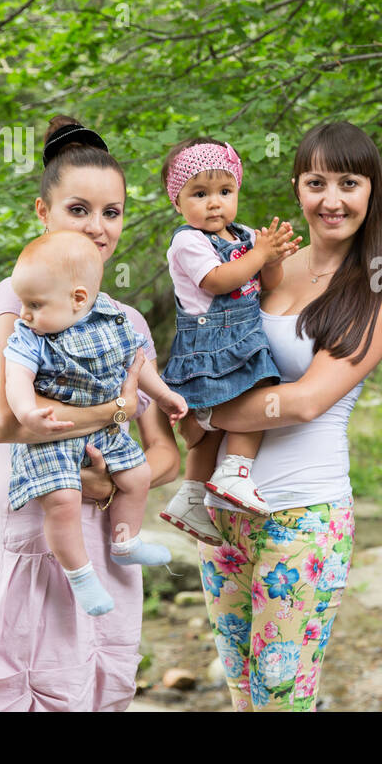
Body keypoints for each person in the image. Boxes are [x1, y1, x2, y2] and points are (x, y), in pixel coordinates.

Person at [0, 116, 180, 711]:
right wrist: (111, 410)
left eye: (112, 212)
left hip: (104, 538)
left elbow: (165, 451)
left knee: (93, 693)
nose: (98, 228)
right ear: (43, 213)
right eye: (78, 209)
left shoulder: (129, 322)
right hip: (29, 533)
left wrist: (103, 483)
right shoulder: (23, 297)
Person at [181, 121, 382, 711]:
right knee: (242, 699)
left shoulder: (381, 287)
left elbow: (306, 401)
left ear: (372, 191)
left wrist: (201, 410)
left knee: (281, 703)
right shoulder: (260, 266)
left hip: (305, 517)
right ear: (296, 188)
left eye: (349, 183)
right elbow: (208, 352)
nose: (331, 200)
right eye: (316, 182)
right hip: (223, 513)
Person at [3, 230, 185, 616]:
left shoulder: (113, 319)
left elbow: (136, 361)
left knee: (136, 477)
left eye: (35, 304)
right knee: (63, 500)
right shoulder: (30, 337)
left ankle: (126, 543)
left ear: (78, 299)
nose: (24, 313)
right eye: (23, 303)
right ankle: (80, 575)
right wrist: (27, 413)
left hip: (106, 434)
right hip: (51, 441)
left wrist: (165, 394)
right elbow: (16, 378)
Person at [155, 137, 301, 543]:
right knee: (255, 397)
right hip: (211, 343)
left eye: (224, 191)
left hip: (235, 337)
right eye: (199, 194)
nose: (214, 203)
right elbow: (219, 281)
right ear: (178, 203)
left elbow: (267, 282)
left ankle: (190, 495)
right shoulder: (187, 241)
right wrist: (257, 255)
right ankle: (235, 471)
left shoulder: (243, 235)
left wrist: (272, 258)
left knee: (211, 431)